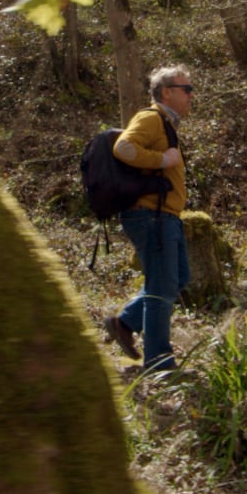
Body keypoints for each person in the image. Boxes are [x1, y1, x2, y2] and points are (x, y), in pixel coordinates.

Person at [102, 65, 195, 373]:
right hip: (150, 216)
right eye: (186, 89)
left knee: (178, 278)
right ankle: (159, 362)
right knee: (160, 286)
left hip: (164, 215)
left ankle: (124, 322)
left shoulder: (165, 123)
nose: (191, 95)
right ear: (166, 91)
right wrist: (161, 159)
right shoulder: (151, 118)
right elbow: (123, 147)